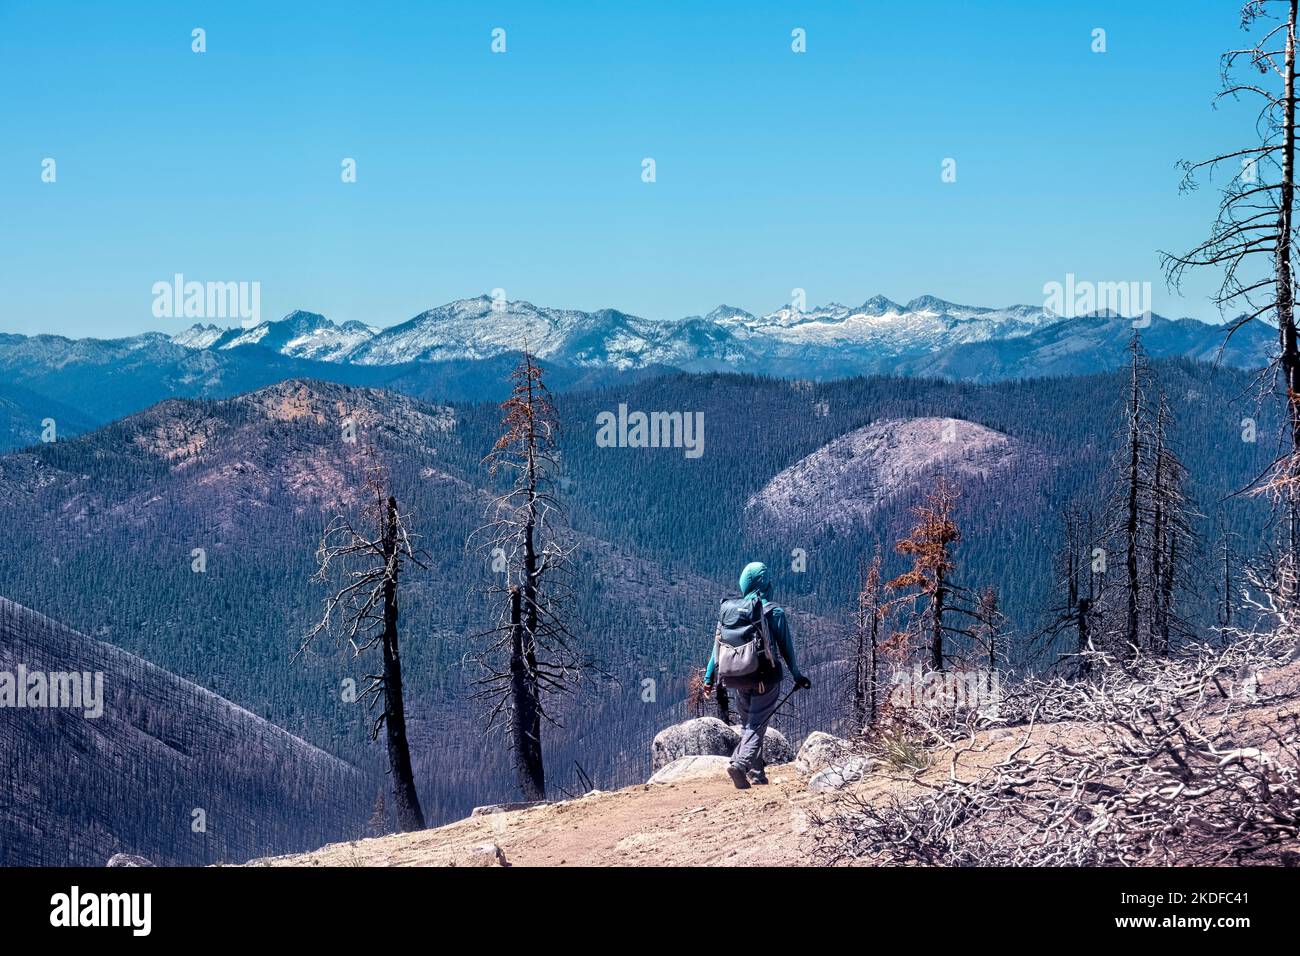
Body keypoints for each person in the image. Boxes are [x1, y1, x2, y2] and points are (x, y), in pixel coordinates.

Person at [703, 561, 811, 788]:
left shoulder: (731, 613)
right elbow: (786, 648)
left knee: (749, 724)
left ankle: (756, 774)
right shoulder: (773, 612)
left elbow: (717, 648)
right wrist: (797, 675)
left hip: (737, 677)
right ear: (764, 583)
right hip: (764, 677)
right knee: (757, 724)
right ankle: (740, 764)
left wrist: (708, 679)